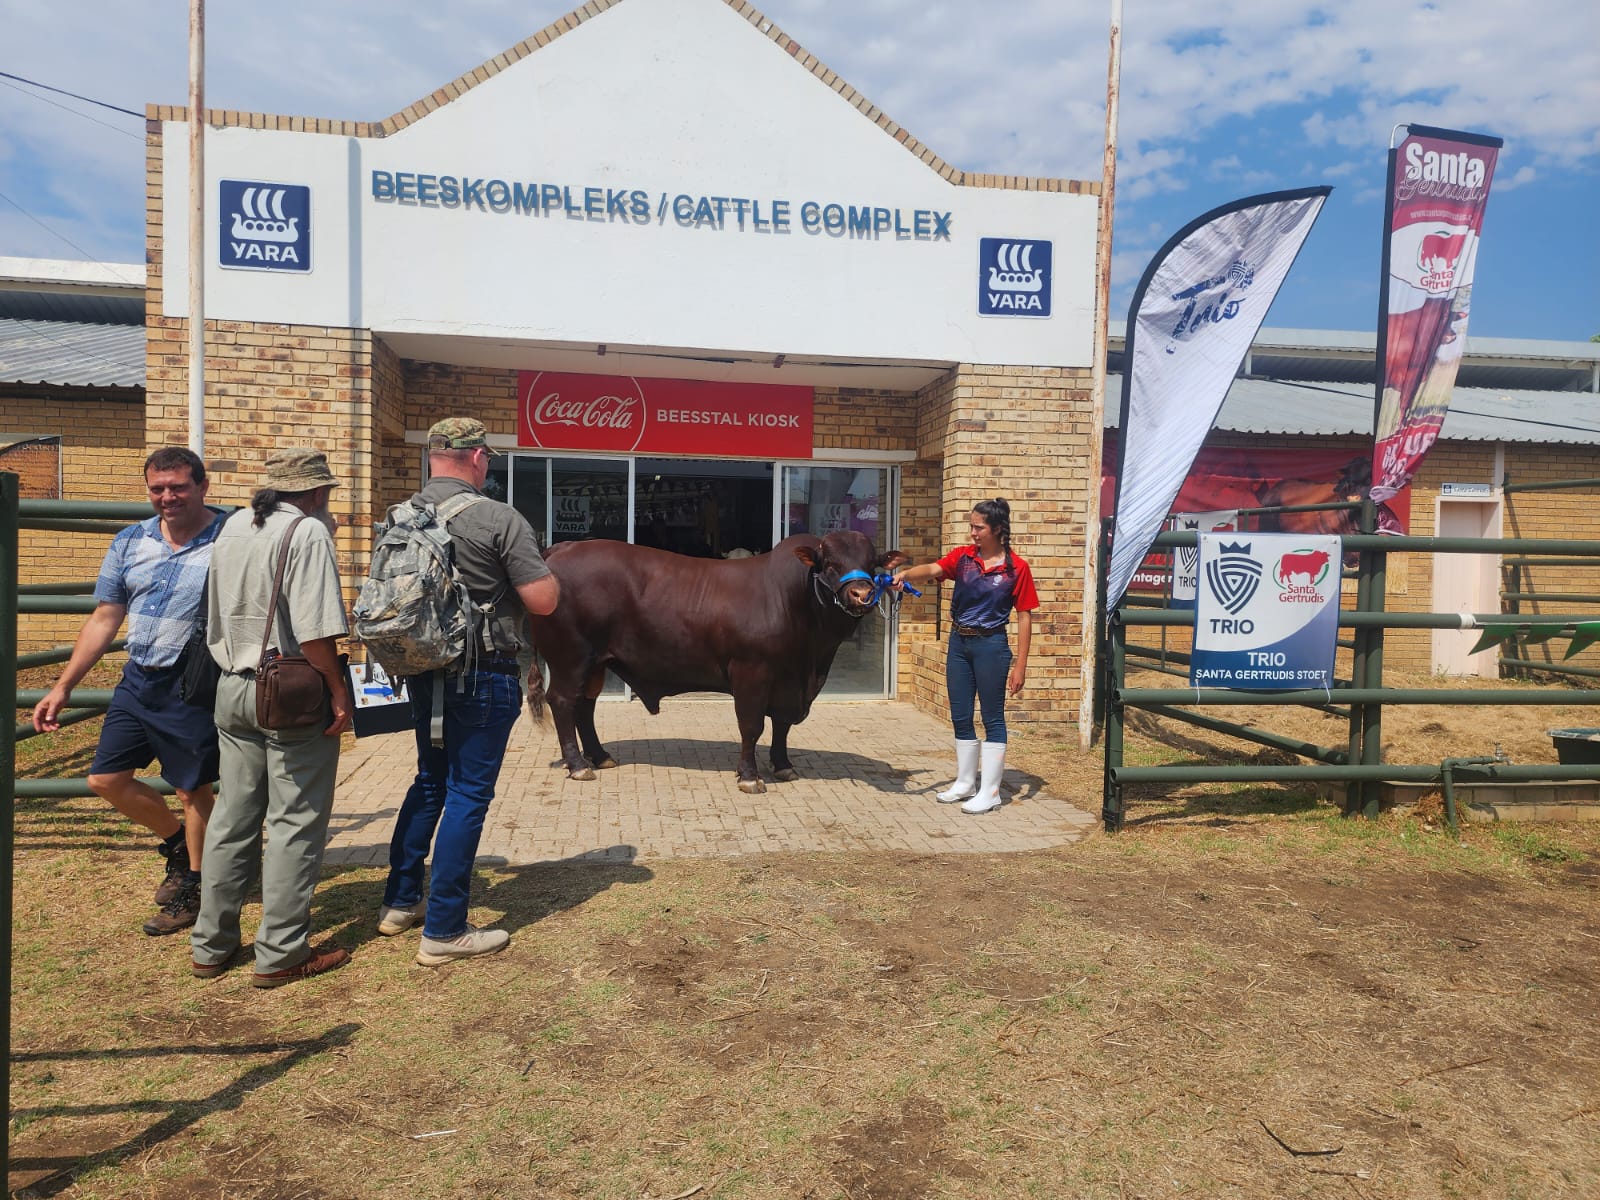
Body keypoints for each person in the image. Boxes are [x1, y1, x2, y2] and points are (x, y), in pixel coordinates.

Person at [378, 417, 560, 967]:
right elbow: (544, 601)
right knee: (467, 795)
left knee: (430, 781)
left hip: (423, 670)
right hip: (483, 675)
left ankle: (400, 901)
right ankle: (445, 929)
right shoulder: (499, 518)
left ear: (434, 457)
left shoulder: (400, 517)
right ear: (479, 458)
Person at [32, 447, 223, 936]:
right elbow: (105, 617)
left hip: (194, 682)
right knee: (106, 779)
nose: (167, 497)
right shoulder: (129, 540)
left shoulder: (230, 537)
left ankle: (198, 888)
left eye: (178, 486)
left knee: (191, 788)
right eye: (157, 488)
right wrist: (63, 686)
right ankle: (182, 848)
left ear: (202, 486)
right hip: (139, 679)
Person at [190, 449, 352, 987]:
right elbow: (314, 631)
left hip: (231, 686)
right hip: (287, 692)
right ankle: (281, 952)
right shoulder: (307, 532)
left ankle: (211, 946)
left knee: (233, 817)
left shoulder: (233, 524)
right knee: (295, 821)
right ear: (316, 492)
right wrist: (337, 691)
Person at [892, 498, 1038, 815]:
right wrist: (906, 574)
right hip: (959, 643)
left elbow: (1025, 616)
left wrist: (1021, 666)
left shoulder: (1017, 569)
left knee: (992, 718)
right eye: (971, 526)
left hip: (992, 646)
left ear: (997, 529)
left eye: (978, 527)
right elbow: (934, 568)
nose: (972, 532)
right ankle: (965, 782)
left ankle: (992, 792)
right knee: (959, 715)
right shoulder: (964, 558)